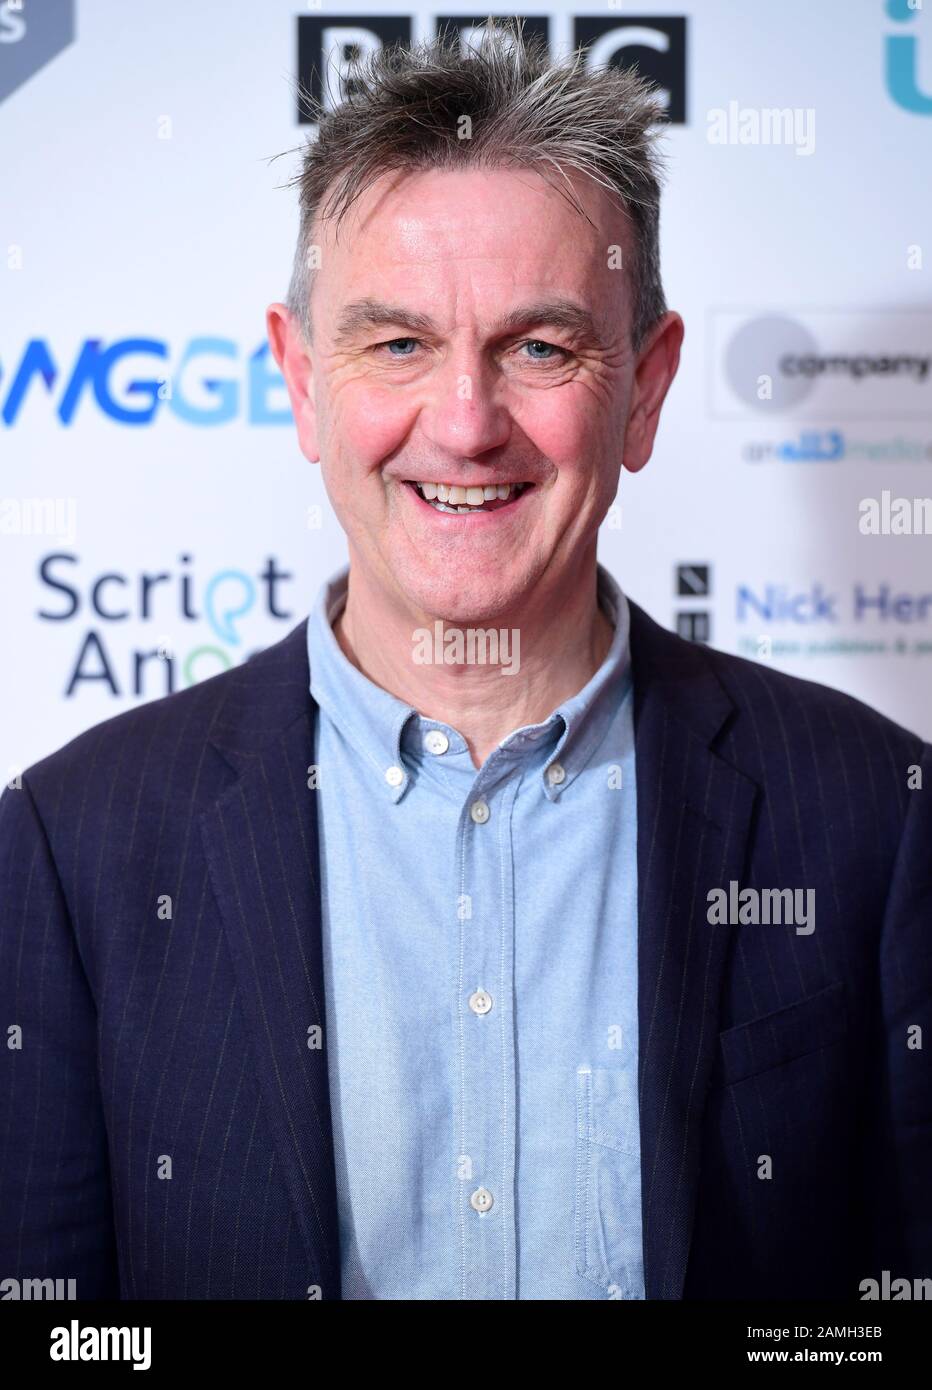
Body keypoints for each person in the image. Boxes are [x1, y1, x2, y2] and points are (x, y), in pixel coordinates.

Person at [1, 23, 929, 1301]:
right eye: (395, 344)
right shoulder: (73, 843)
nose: (465, 422)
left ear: (645, 390)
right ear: (301, 379)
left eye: (539, 346)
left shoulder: (875, 819)